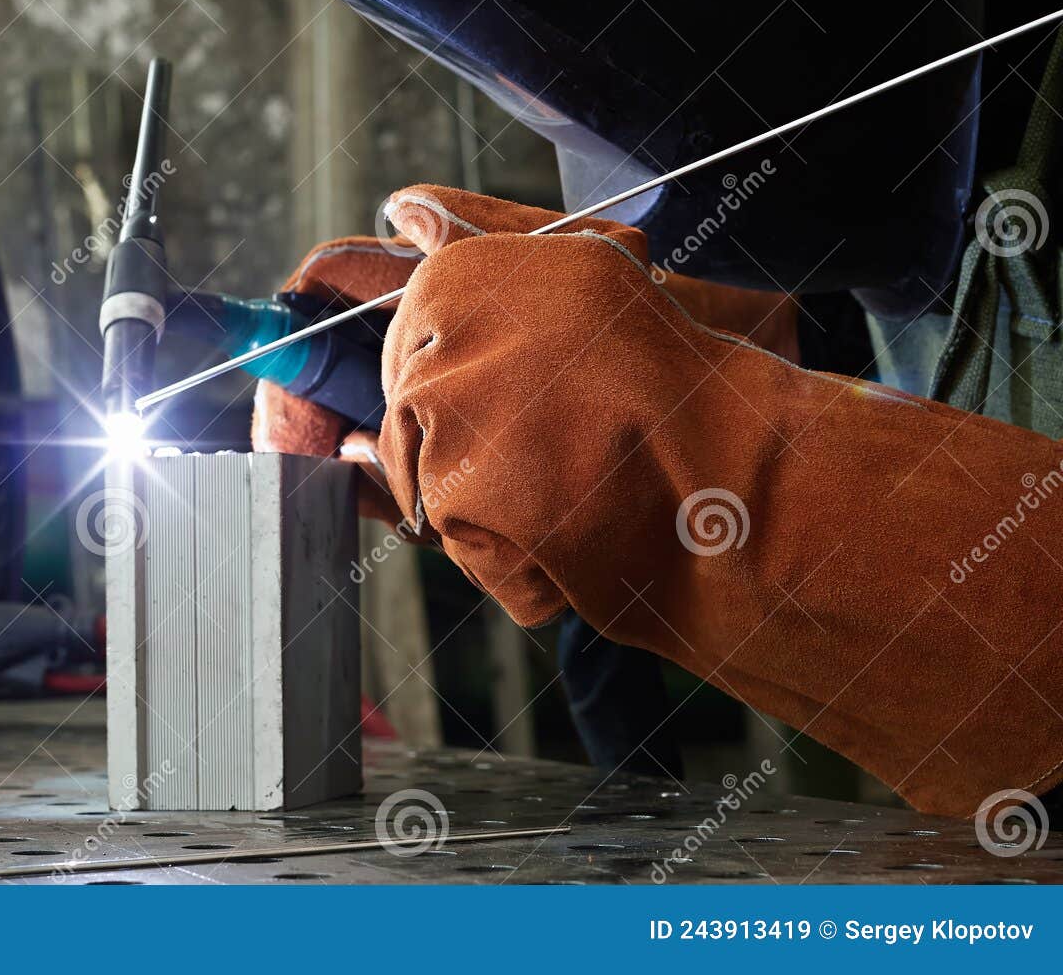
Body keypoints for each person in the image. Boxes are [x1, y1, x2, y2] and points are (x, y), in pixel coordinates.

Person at [252, 182, 1063, 821]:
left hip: (981, 656)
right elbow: (542, 594)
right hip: (951, 668)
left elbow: (528, 593)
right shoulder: (555, 327)